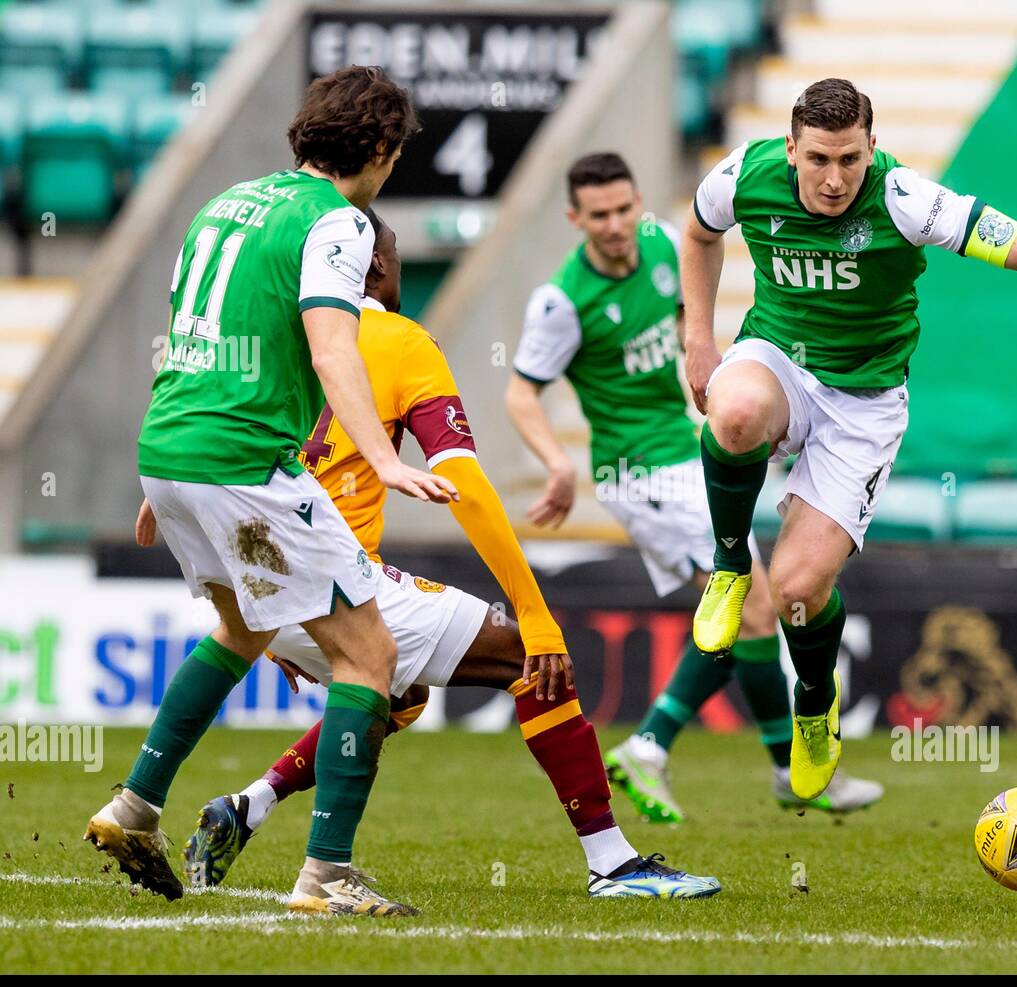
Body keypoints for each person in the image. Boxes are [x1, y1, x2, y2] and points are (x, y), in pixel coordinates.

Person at [683, 77, 1017, 801]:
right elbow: (695, 233)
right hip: (778, 360)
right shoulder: (743, 174)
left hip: (863, 404)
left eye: (850, 158)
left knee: (800, 590)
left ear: (872, 148)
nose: (835, 177)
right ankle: (728, 568)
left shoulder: (907, 199)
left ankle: (815, 705)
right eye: (818, 159)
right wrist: (697, 338)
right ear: (790, 147)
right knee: (736, 410)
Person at [173, 209, 720, 901]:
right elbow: (462, 482)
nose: (398, 266)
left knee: (396, 697)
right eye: (395, 253)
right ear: (374, 264)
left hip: (254, 571)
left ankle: (245, 805)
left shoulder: (282, 330)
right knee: (530, 659)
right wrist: (534, 606)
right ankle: (611, 863)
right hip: (329, 575)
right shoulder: (400, 341)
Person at [86, 66, 451, 916]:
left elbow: (187, 335)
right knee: (372, 659)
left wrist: (167, 479)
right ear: (384, 150)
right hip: (241, 460)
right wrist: (385, 459)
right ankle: (327, 874)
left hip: (173, 444)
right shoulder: (338, 222)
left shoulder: (227, 203)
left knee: (245, 627)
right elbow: (333, 349)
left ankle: (135, 803)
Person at [505, 153, 882, 822]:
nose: (617, 225)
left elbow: (692, 318)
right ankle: (655, 746)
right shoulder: (561, 301)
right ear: (575, 220)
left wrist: (710, 360)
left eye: (624, 209)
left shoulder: (659, 245)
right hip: (639, 472)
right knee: (754, 607)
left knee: (754, 614)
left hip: (683, 451)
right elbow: (520, 394)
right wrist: (557, 463)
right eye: (599, 216)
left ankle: (775, 766)